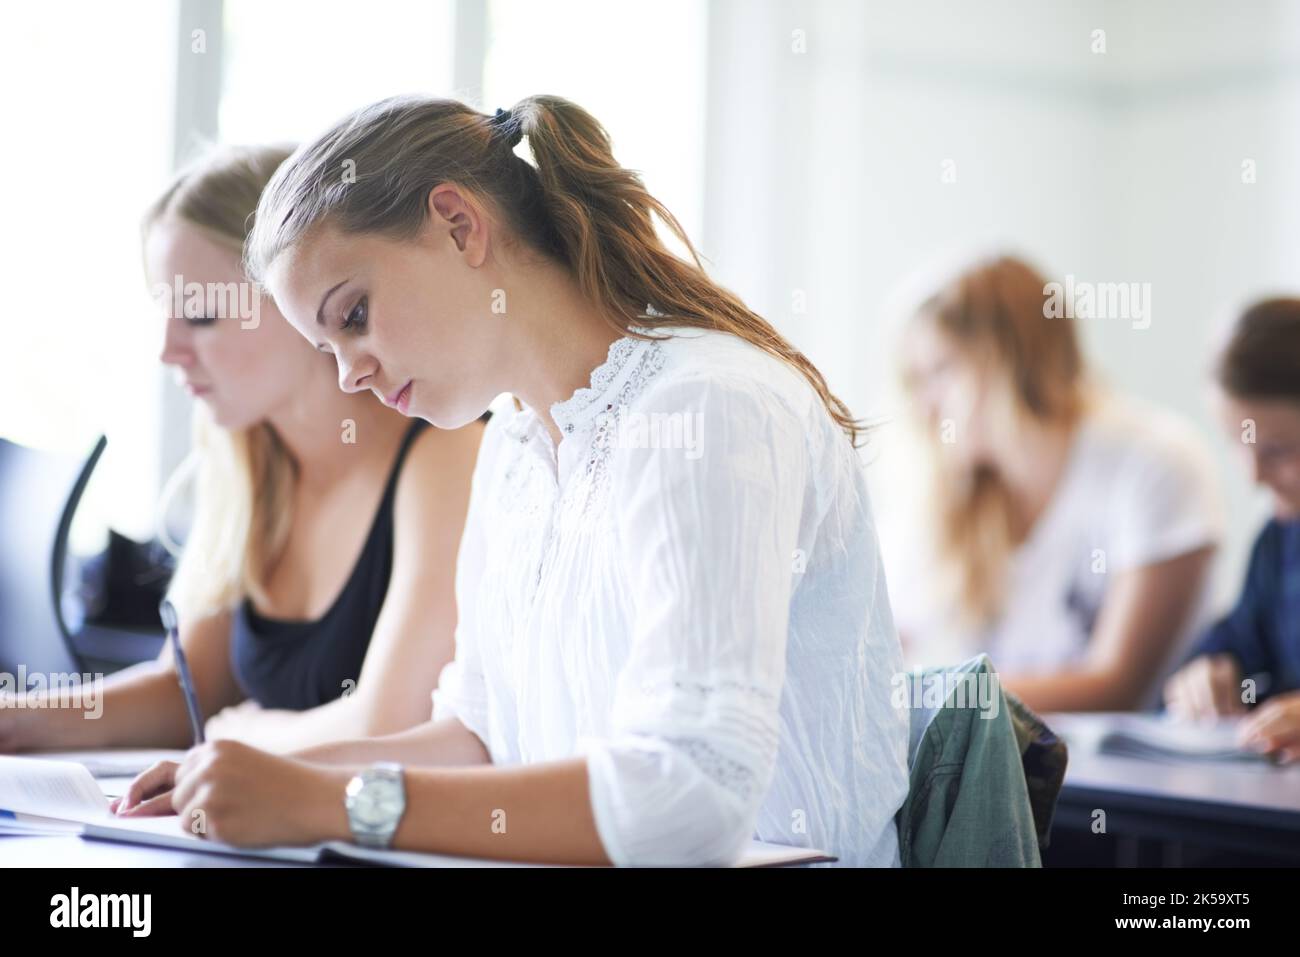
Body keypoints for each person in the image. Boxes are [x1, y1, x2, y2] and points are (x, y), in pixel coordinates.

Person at [112, 95, 910, 867]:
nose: (350, 376)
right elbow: (480, 737)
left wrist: (333, 801)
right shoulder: (516, 448)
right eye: (326, 349)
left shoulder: (703, 409)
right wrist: (256, 774)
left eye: (352, 315)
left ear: (459, 226)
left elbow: (691, 794)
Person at [0, 145, 482, 754]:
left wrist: (247, 735)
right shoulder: (247, 462)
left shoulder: (446, 454)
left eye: (199, 315)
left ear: (300, 296)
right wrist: (15, 719)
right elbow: (188, 695)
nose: (169, 352)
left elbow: (391, 722)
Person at [883, 255, 1223, 712]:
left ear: (1010, 361)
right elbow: (886, 651)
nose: (924, 408)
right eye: (917, 381)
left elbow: (1115, 687)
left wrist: (926, 695)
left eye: (941, 371)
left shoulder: (1154, 464)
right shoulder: (949, 498)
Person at [1164, 298, 1300, 763]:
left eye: (1279, 451)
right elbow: (1232, 646)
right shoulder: (1279, 546)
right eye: (1239, 446)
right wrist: (1203, 677)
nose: (1254, 479)